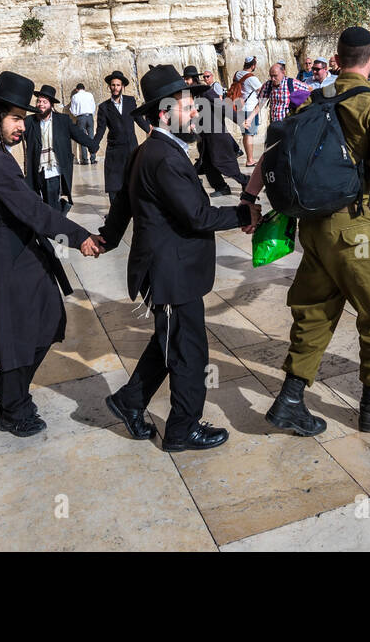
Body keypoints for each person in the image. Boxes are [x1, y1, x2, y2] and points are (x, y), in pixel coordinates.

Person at [244, 27, 370, 439]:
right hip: (353, 231)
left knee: (315, 312)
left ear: (337, 59)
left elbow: (272, 153)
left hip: (312, 229)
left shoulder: (310, 99)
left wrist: (248, 198)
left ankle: (290, 400)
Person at [0, 73, 102, 436]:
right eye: (14, 118)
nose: (22, 126)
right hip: (4, 256)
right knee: (16, 332)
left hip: (18, 249)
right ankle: (12, 408)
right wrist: (79, 236)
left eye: (23, 118)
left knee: (46, 318)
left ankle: (8, 386)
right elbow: (32, 209)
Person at [96, 65, 255, 452]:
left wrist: (106, 238)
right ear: (165, 113)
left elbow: (123, 207)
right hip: (172, 272)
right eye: (188, 107)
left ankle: (129, 401)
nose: (197, 113)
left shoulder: (150, 150)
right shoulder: (163, 157)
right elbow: (197, 215)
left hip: (171, 269)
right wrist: (243, 213)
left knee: (169, 343)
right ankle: (183, 429)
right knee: (188, 352)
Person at [22, 84, 96, 213]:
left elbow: (78, 134)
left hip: (53, 169)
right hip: (36, 169)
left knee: (51, 203)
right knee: (37, 203)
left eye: (44, 102)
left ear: (51, 105)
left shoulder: (62, 120)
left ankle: (56, 229)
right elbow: (15, 136)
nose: (41, 104)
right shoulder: (29, 121)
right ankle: (53, 222)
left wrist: (93, 145)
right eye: (39, 101)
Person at [93, 70, 150, 204]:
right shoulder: (104, 107)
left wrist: (149, 129)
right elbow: (100, 129)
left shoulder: (130, 101)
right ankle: (115, 211)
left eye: (118, 85)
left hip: (131, 146)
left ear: (122, 86)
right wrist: (94, 144)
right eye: (113, 85)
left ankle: (136, 206)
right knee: (114, 182)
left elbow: (138, 118)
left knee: (133, 178)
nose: (115, 88)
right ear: (109, 87)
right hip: (115, 148)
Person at [231, 56, 263, 165]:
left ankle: (249, 158)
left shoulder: (237, 74)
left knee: (245, 134)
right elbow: (262, 91)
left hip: (240, 108)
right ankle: (250, 160)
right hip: (249, 109)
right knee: (249, 135)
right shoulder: (252, 78)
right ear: (253, 65)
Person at [68, 82, 98, 164]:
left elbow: (72, 109)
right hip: (90, 117)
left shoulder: (75, 96)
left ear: (77, 89)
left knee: (82, 138)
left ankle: (85, 160)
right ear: (84, 88)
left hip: (81, 118)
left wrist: (76, 115)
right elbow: (93, 106)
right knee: (91, 138)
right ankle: (93, 159)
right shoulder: (89, 95)